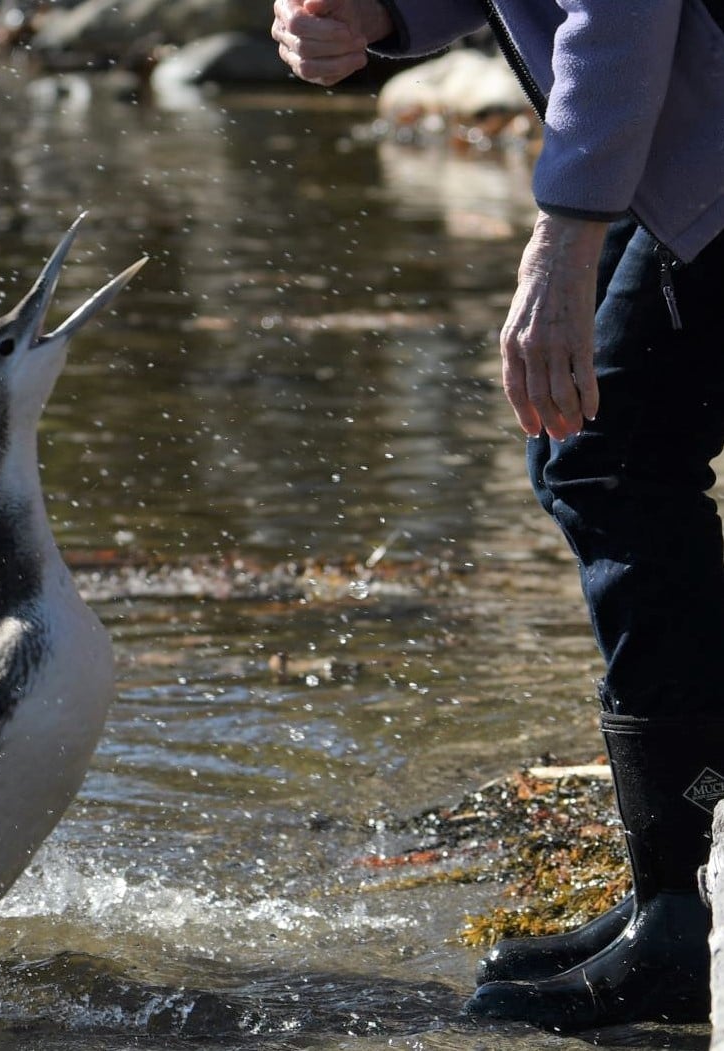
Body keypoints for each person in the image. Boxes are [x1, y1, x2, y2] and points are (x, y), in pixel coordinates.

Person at [271, 0, 724, 1033]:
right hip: (681, 145)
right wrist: (382, 16)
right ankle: (682, 889)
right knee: (594, 449)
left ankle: (685, 920)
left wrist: (562, 239)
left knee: (610, 453)